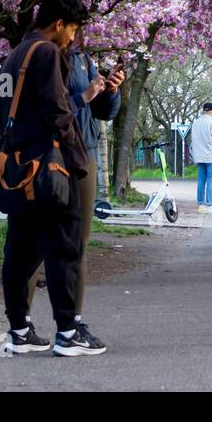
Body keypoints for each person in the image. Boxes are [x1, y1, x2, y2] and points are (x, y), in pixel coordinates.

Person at [0, 0, 108, 357]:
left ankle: (19, 329)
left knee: (20, 249)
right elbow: (57, 111)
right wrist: (75, 158)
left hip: (19, 165)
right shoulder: (47, 52)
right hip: (49, 166)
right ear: (59, 24)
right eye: (73, 29)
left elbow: (4, 111)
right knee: (65, 245)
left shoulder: (15, 54)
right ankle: (68, 332)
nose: (73, 38)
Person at [64, 34, 124, 325]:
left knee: (79, 243)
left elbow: (101, 111)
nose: (76, 35)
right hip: (47, 155)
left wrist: (109, 91)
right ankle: (21, 326)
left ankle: (73, 323)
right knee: (37, 241)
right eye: (73, 26)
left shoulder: (83, 60)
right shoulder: (39, 57)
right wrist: (83, 96)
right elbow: (47, 108)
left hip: (83, 153)